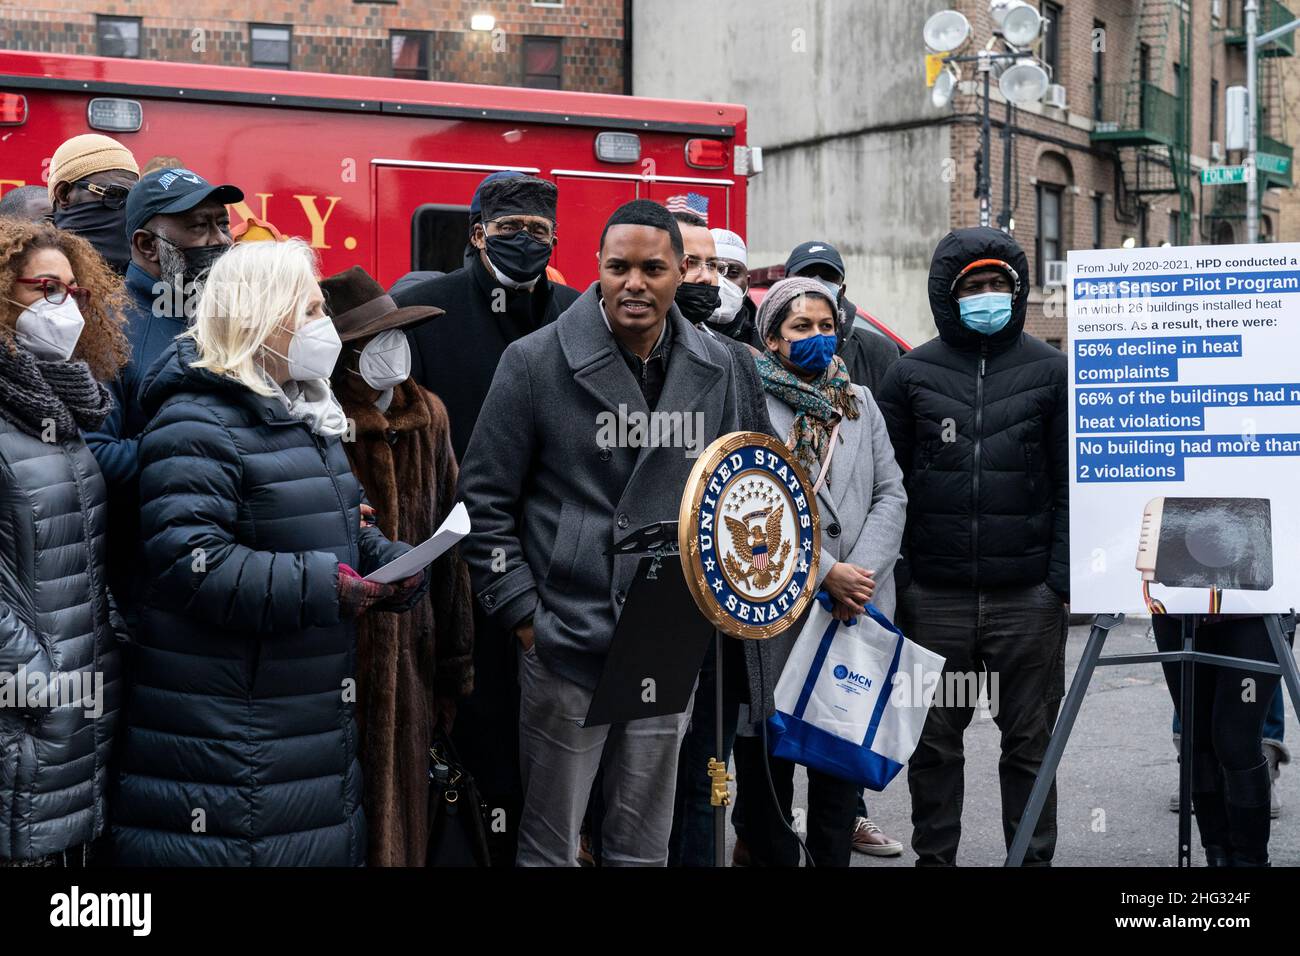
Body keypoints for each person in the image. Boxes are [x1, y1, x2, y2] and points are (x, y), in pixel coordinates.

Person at [112, 240, 425, 866]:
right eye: (309, 311)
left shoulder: (302, 413)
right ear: (262, 315)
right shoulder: (196, 421)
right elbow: (191, 565)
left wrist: (388, 560)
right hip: (230, 738)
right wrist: (327, 585)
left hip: (303, 726)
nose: (325, 327)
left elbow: (329, 524)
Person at [459, 199, 740, 866]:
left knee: (643, 844)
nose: (633, 283)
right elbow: (483, 499)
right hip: (566, 639)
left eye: (652, 268)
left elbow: (725, 487)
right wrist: (525, 617)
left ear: (681, 274)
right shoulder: (534, 361)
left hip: (666, 635)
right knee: (550, 846)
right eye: (618, 267)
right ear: (597, 269)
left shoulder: (719, 365)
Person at [392, 173, 579, 866]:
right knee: (465, 731)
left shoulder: (575, 313)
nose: (525, 243)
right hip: (450, 565)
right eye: (509, 230)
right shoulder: (424, 311)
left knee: (548, 747)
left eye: (538, 233)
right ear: (476, 233)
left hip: (556, 570)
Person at [876, 226, 1069, 866]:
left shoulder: (1051, 370)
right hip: (936, 598)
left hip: (1027, 601)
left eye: (998, 285)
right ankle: (937, 861)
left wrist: (1057, 582)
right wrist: (903, 577)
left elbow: (1072, 480)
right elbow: (889, 484)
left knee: (1031, 745)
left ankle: (1030, 860)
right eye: (973, 286)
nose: (987, 296)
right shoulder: (910, 375)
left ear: (1015, 292)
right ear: (948, 294)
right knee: (934, 748)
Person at [727, 277, 906, 867]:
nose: (817, 337)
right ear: (773, 339)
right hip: (778, 605)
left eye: (826, 326)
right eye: (801, 327)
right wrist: (823, 571)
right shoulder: (748, 399)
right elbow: (751, 505)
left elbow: (892, 494)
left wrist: (860, 575)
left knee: (837, 775)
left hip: (854, 608)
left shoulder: (859, 399)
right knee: (768, 778)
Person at [323, 266, 475, 866]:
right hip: (340, 657)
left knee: (409, 819)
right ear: (346, 355)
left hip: (415, 653)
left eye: (400, 334)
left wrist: (454, 667)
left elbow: (452, 549)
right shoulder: (321, 418)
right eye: (377, 340)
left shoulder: (429, 415)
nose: (395, 349)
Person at [0, 219, 128, 865]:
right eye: (44, 288)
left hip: (77, 705)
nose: (64, 308)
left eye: (75, 292)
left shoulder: (66, 406)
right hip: (26, 711)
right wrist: (37, 682)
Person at [665, 210, 778, 867]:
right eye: (692, 264)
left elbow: (760, 470)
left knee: (709, 776)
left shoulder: (739, 361)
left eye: (717, 266)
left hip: (721, 613)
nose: (706, 278)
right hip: (646, 612)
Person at [83, 167, 243, 621]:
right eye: (199, 226)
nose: (221, 240)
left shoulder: (230, 318)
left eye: (222, 222)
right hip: (148, 591)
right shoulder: (106, 329)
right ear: (147, 246)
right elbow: (93, 453)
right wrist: (200, 460)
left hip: (235, 579)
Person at [1154, 614, 1286, 866]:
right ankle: (1216, 855)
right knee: (1197, 739)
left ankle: (1251, 860)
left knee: (1236, 743)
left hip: (1255, 608)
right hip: (1177, 607)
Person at [784, 240, 900, 397]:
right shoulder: (760, 346)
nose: (817, 284)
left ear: (842, 290)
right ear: (784, 284)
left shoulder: (879, 352)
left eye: (828, 277)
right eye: (806, 275)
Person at [47, 133, 140, 274]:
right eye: (114, 194)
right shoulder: (25, 270)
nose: (127, 210)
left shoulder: (145, 277)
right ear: (64, 194)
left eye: (134, 199)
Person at [708, 227, 759, 344]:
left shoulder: (765, 337)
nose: (721, 283)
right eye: (712, 269)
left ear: (748, 283)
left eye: (733, 273)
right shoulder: (677, 331)